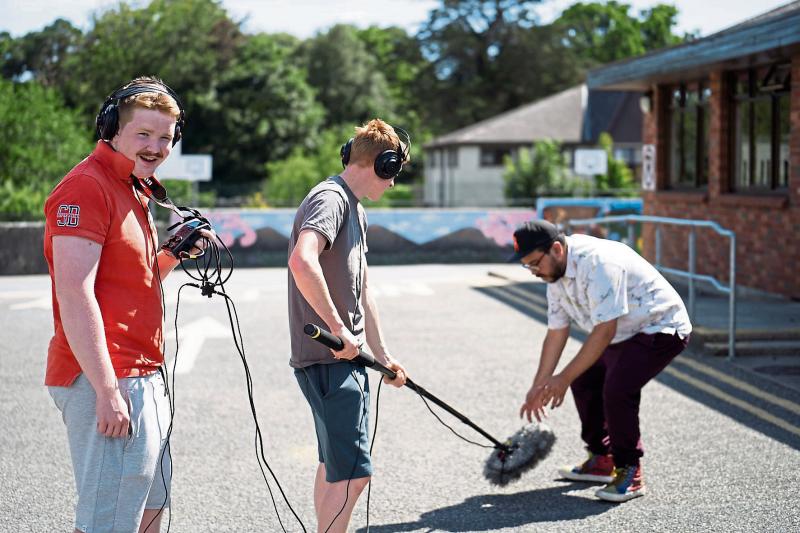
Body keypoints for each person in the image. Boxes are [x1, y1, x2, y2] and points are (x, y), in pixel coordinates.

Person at [44, 76, 208, 532]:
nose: (156, 147)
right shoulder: (85, 188)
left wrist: (175, 251)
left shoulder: (134, 187)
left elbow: (135, 279)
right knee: (107, 522)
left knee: (149, 509)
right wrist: (107, 391)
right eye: (144, 134)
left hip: (143, 373)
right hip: (109, 376)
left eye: (165, 138)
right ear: (112, 129)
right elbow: (75, 291)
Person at [287, 118, 409, 532]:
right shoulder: (331, 199)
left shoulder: (356, 209)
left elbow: (363, 289)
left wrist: (383, 355)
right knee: (356, 474)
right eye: (395, 172)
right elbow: (302, 261)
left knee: (336, 465)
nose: (393, 184)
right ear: (383, 164)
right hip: (330, 359)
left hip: (345, 359)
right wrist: (340, 330)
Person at [514, 219, 691, 503]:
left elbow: (604, 330)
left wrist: (562, 377)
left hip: (660, 327)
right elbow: (556, 332)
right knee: (584, 380)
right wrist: (540, 385)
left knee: (617, 390)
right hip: (623, 331)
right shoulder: (554, 276)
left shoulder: (599, 264)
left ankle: (630, 470)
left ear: (556, 249)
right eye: (528, 266)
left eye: (535, 263)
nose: (534, 271)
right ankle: (603, 459)